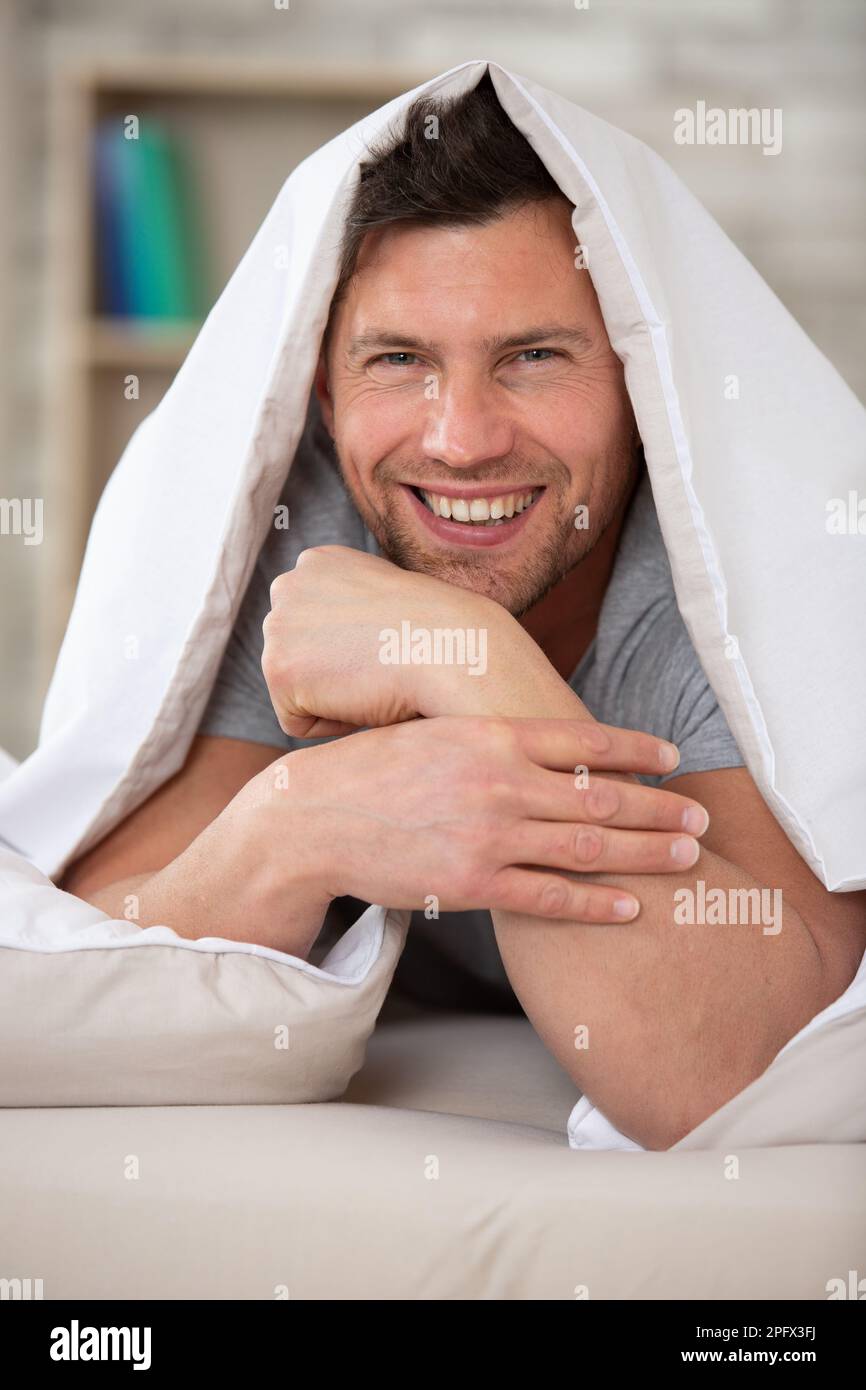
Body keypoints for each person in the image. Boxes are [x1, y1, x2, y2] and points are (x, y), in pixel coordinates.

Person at [60, 73, 866, 1149]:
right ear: (322, 392)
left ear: (639, 381)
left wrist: (472, 663)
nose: (461, 439)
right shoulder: (284, 540)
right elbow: (93, 949)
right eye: (399, 361)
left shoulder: (722, 583)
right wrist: (293, 824)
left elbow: (725, 1069)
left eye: (532, 357)